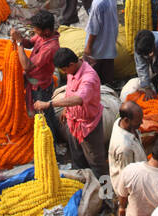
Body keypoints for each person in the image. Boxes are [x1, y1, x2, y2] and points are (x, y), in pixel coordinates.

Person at [35, 47, 108, 180]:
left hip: (88, 125)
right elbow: (70, 91)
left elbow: (79, 98)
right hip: (73, 121)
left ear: (71, 64)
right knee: (77, 156)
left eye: (64, 69)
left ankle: (107, 194)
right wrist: (66, 109)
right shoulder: (72, 71)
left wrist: (49, 104)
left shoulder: (89, 78)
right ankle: (81, 185)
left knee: (96, 162)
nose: (64, 73)